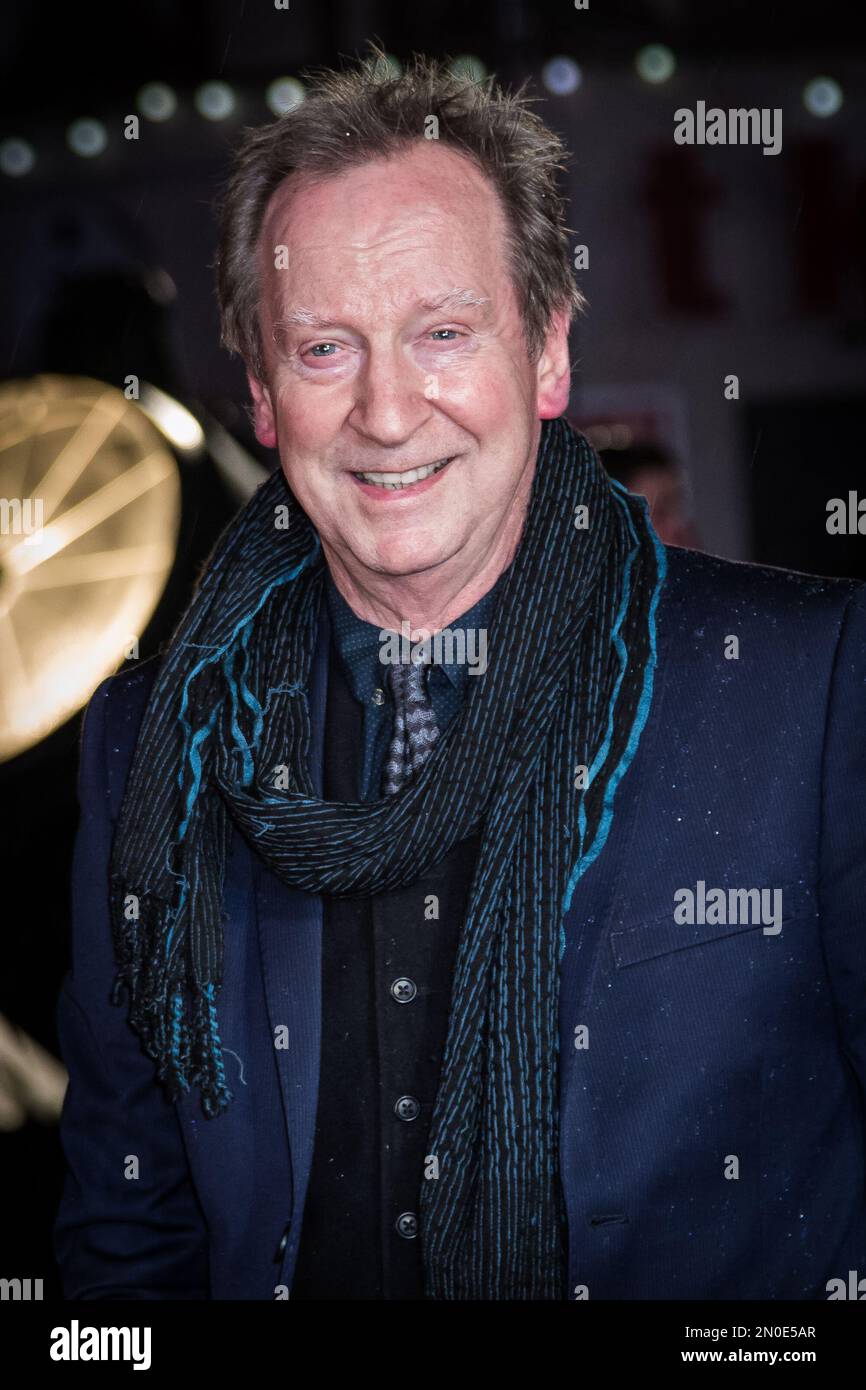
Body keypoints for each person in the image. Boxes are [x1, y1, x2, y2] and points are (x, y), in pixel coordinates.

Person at [55, 49, 866, 1302]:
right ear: (260, 394)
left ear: (546, 353)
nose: (387, 412)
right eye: (322, 349)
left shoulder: (808, 686)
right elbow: (128, 1229)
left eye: (442, 333)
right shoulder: (150, 738)